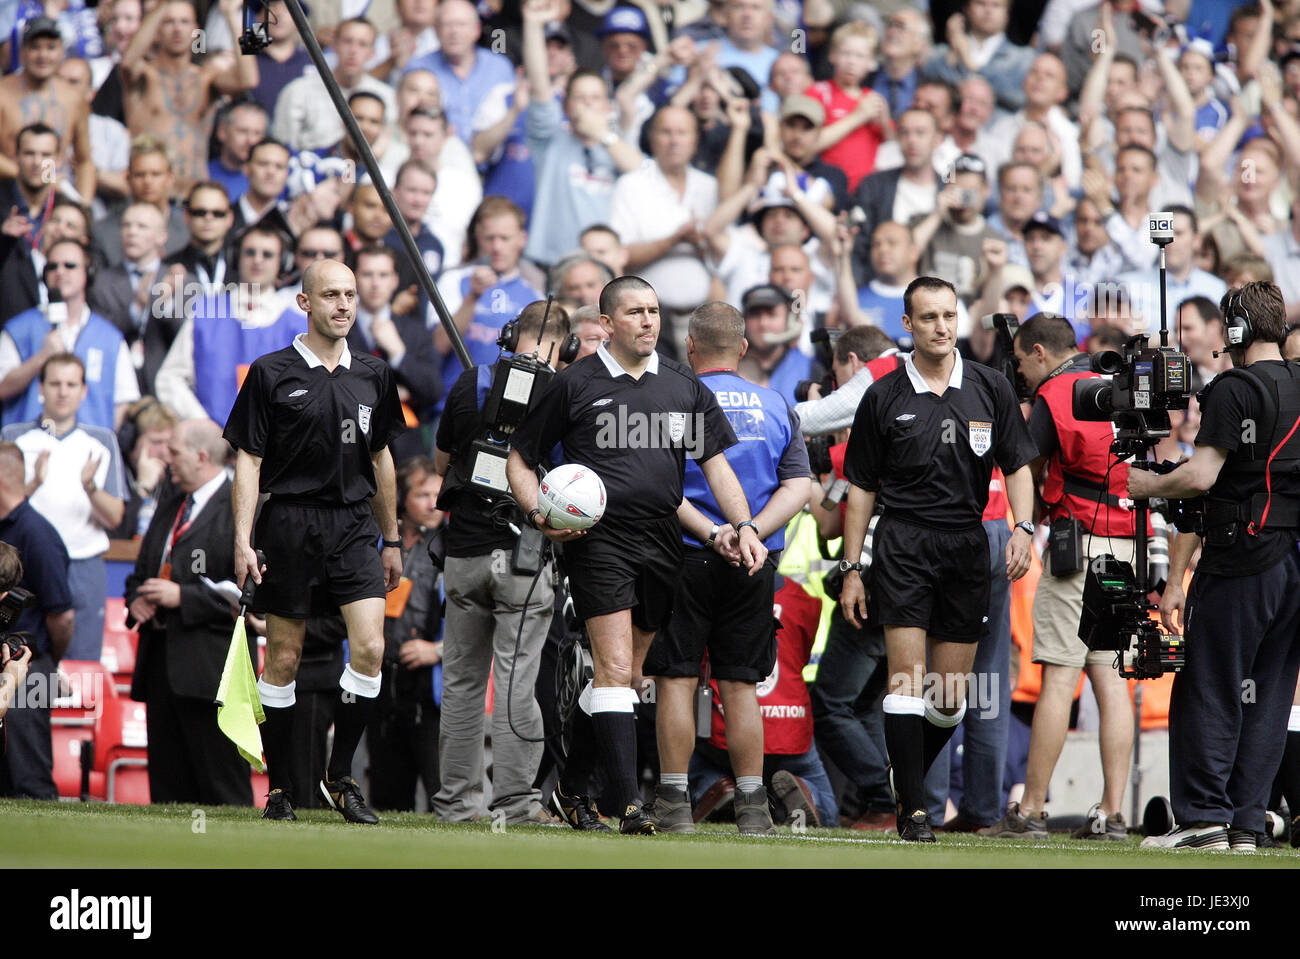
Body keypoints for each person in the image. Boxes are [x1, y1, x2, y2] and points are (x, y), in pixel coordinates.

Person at [506, 275, 767, 834]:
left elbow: (716, 463)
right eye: (635, 312)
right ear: (606, 324)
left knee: (627, 677)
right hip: (596, 539)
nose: (649, 321)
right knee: (616, 667)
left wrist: (742, 524)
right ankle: (626, 806)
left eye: (653, 310)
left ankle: (571, 791)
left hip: (662, 540)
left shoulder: (682, 383)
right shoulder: (572, 384)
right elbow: (519, 460)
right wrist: (539, 515)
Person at [838, 275, 1037, 841]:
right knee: (906, 679)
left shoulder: (990, 386)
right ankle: (915, 811)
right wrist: (853, 568)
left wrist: (1022, 526)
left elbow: (1018, 465)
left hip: (968, 545)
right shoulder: (884, 395)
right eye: (928, 317)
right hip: (902, 543)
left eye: (948, 315)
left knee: (949, 699)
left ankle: (903, 779)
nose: (941, 326)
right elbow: (859, 490)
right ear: (908, 325)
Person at [225, 258, 405, 823]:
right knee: (284, 657)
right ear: (305, 303)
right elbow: (248, 460)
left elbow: (382, 460)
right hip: (289, 525)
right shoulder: (271, 372)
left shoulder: (374, 374)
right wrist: (240, 539)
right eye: (331, 295)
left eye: (350, 294)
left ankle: (341, 774)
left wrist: (393, 537)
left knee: (372, 649)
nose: (344, 305)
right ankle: (280, 789)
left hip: (354, 525)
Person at [1130, 281, 1300, 852]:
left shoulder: (1234, 388)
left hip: (1242, 556)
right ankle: (1247, 824)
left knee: (1210, 685)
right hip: (1293, 564)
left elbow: (1200, 480)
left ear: (1235, 330)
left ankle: (1203, 818)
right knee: (1270, 696)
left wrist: (1146, 482)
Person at [644, 301, 810, 834]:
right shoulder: (776, 403)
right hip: (755, 562)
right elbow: (800, 486)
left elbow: (662, 491)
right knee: (739, 685)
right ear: (742, 348)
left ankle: (673, 802)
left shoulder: (672, 402)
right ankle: (753, 806)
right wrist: (751, 533)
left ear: (689, 347)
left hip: (685, 556)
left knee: (676, 679)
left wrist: (716, 533)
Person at [980, 312, 1138, 841]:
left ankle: (1030, 812)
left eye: (1022, 360)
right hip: (1128, 544)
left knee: (1059, 678)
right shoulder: (1119, 385)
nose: (1020, 371)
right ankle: (1114, 813)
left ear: (1041, 352)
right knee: (1112, 681)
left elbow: (1027, 464)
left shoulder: (1057, 392)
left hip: (1078, 545)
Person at [433, 300, 567, 823]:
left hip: (463, 553)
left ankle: (457, 804)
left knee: (464, 682)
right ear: (565, 344)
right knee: (516, 682)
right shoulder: (565, 390)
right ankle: (515, 803)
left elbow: (443, 463)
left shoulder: (472, 381)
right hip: (524, 558)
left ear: (512, 334)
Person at [126, 418, 253, 806]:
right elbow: (143, 569)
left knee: (221, 788)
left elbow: (248, 591)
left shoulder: (239, 505)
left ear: (201, 457)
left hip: (208, 671)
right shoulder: (171, 500)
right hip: (161, 662)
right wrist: (138, 598)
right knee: (167, 792)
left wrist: (183, 597)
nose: (166, 458)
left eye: (175, 451)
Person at [2, 352, 127, 662]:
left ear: (84, 391)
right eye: (55, 383)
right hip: (21, 569)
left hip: (83, 567)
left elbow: (115, 518)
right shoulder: (13, 436)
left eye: (71, 384)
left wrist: (90, 488)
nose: (62, 391)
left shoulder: (102, 440)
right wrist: (32, 487)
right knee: (17, 664)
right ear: (40, 388)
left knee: (82, 668)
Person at [367, 455, 444, 812]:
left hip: (432, 690)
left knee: (440, 792)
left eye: (438, 495)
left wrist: (438, 650)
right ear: (401, 499)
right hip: (383, 680)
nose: (434, 504)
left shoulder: (453, 546)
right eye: (423, 495)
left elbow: (479, 621)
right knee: (386, 795)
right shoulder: (377, 543)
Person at [0, 237, 140, 431]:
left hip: (87, 453)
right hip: (27, 450)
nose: (60, 272)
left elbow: (123, 401)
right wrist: (40, 358)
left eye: (70, 266)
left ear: (88, 272)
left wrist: (98, 444)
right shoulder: (19, 329)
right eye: (52, 266)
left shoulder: (110, 338)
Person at [0, 442, 73, 799]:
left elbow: (62, 615)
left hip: (27, 665)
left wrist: (46, 664)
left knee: (28, 777)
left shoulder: (36, 535)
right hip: (9, 660)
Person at [121, 0, 258, 190]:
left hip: (192, 196)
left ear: (196, 32)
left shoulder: (206, 79)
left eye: (185, 22)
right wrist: (160, 7)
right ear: (156, 31)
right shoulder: (144, 76)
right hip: (148, 192)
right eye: (169, 22)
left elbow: (248, 80)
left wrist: (230, 16)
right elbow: (128, 62)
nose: (177, 29)